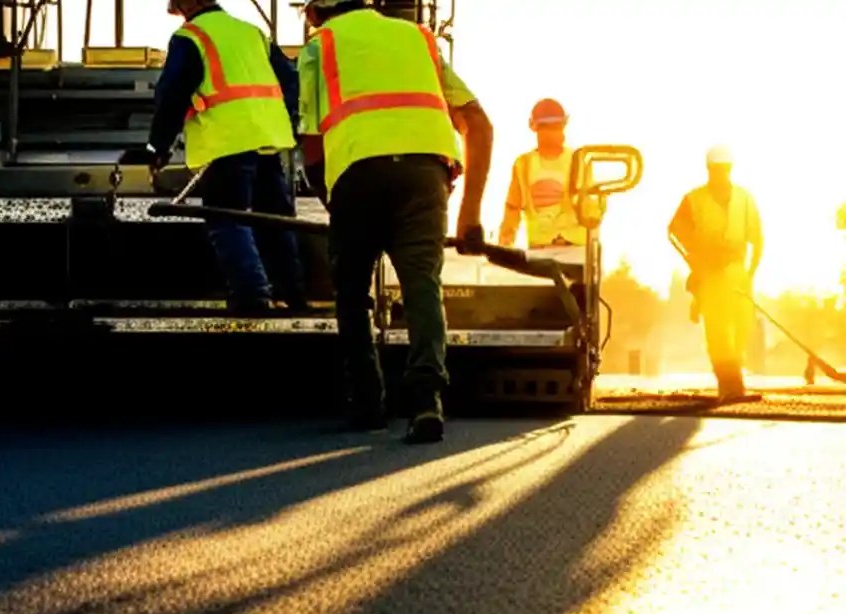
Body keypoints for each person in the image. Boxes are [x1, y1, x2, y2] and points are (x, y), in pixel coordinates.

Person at [296, 0, 493, 443]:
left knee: (351, 292)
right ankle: (427, 402)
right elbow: (479, 124)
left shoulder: (320, 46)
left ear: (313, 14)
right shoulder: (419, 38)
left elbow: (311, 142)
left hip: (357, 174)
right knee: (422, 286)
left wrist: (329, 198)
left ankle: (368, 404)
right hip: (426, 175)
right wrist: (470, 216)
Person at [148, 0, 307, 313]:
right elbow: (290, 80)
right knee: (274, 219)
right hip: (269, 139)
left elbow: (172, 95)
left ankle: (253, 296)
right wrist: (284, 121)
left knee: (227, 218)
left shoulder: (192, 37)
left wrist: (159, 147)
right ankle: (293, 293)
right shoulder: (252, 33)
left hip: (228, 141)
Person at [668, 145, 763, 401]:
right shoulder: (694, 198)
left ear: (730, 169)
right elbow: (674, 232)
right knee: (718, 332)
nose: (720, 174)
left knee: (742, 327)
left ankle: (735, 383)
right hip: (709, 272)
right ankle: (730, 387)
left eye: (724, 169)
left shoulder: (744, 198)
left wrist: (750, 273)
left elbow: (757, 237)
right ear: (708, 169)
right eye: (716, 169)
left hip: (738, 273)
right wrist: (695, 260)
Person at [497, 99, 592, 251]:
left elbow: (592, 205)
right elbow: (513, 207)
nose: (552, 133)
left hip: (576, 247)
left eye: (556, 127)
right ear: (534, 128)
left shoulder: (577, 161)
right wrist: (505, 242)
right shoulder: (523, 164)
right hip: (540, 249)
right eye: (546, 127)